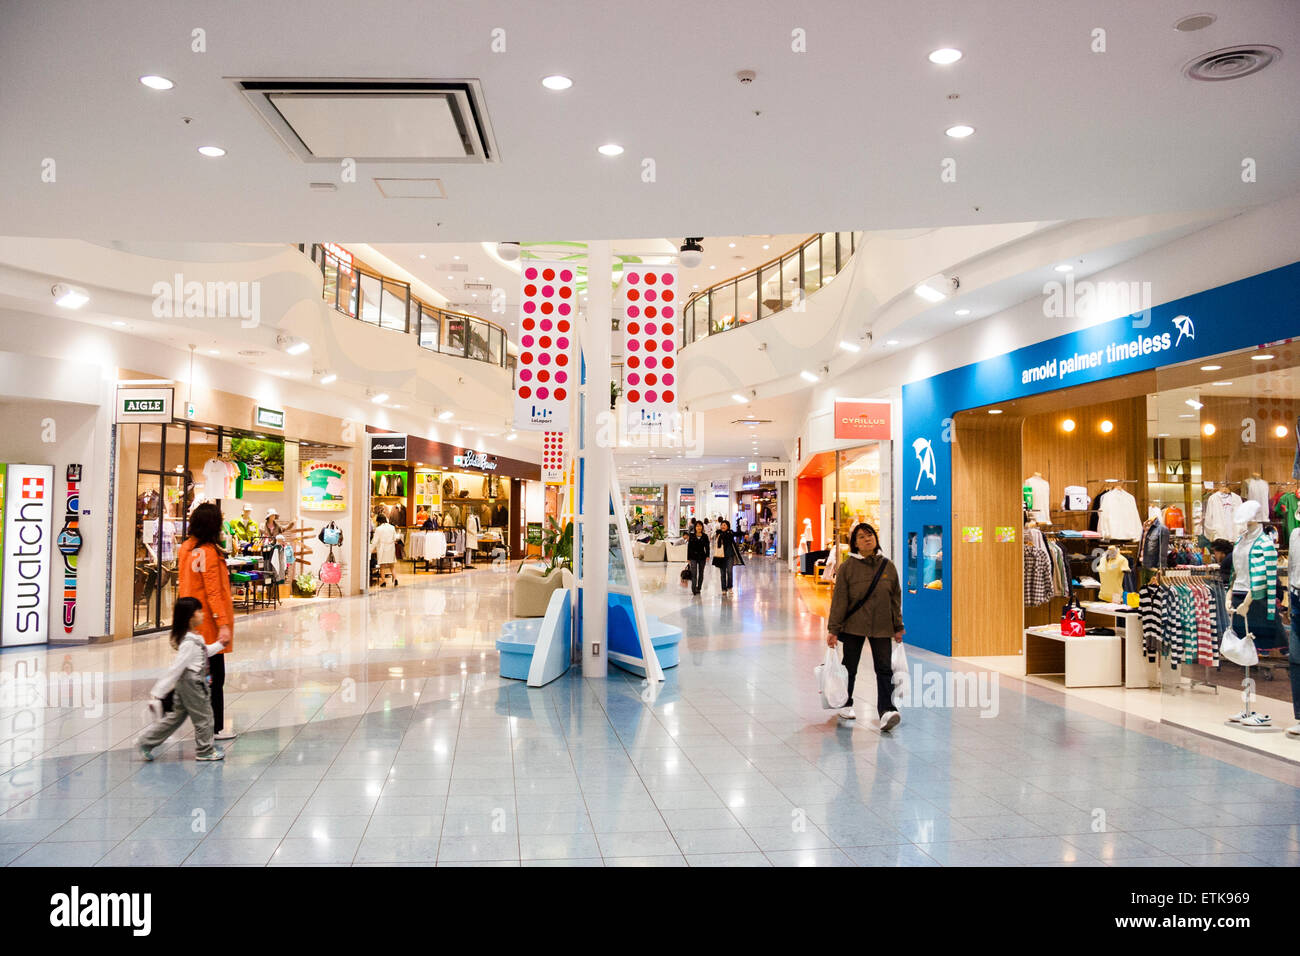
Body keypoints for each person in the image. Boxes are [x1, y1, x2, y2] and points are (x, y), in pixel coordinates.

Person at [826, 522, 905, 730]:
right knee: (849, 666)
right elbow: (839, 601)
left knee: (884, 668)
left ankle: (887, 710)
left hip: (882, 626)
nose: (867, 539)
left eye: (869, 535)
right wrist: (833, 630)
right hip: (854, 626)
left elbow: (895, 598)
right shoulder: (847, 568)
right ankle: (846, 702)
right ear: (855, 544)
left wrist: (898, 626)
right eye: (861, 537)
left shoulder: (888, 566)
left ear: (875, 538)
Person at [138, 597, 229, 761]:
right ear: (189, 617)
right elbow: (176, 668)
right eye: (199, 611)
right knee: (205, 717)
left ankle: (146, 741)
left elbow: (204, 652)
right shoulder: (188, 642)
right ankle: (204, 750)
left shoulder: (195, 638)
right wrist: (159, 691)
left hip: (189, 683)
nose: (202, 614)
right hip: (192, 684)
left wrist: (220, 645)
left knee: (175, 718)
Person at [177, 502, 237, 741]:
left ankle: (209, 726)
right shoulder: (209, 552)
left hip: (191, 622)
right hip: (209, 626)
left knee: (201, 677)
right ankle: (213, 728)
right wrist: (222, 623)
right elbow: (213, 592)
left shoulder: (186, 548)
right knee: (215, 678)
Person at [713, 519, 745, 594]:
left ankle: (730, 587)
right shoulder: (719, 533)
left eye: (724, 525)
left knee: (729, 572)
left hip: (730, 555)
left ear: (728, 526)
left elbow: (737, 533)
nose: (722, 526)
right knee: (722, 573)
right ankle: (723, 589)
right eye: (722, 525)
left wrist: (744, 533)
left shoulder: (730, 533)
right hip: (721, 556)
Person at [371, 512, 398, 587]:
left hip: (382, 548)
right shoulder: (392, 527)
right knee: (391, 565)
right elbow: (395, 538)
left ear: (379, 521)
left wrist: (370, 550)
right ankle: (395, 578)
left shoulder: (378, 529)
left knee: (382, 566)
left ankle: (383, 581)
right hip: (391, 548)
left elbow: (375, 541)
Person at [687, 520, 709, 596]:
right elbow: (689, 547)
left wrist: (708, 555)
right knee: (694, 573)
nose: (698, 527)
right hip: (693, 557)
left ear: (702, 527)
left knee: (701, 573)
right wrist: (688, 558)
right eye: (697, 526)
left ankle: (699, 588)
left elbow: (707, 547)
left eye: (700, 526)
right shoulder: (692, 535)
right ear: (695, 527)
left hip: (702, 557)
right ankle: (693, 588)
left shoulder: (705, 536)